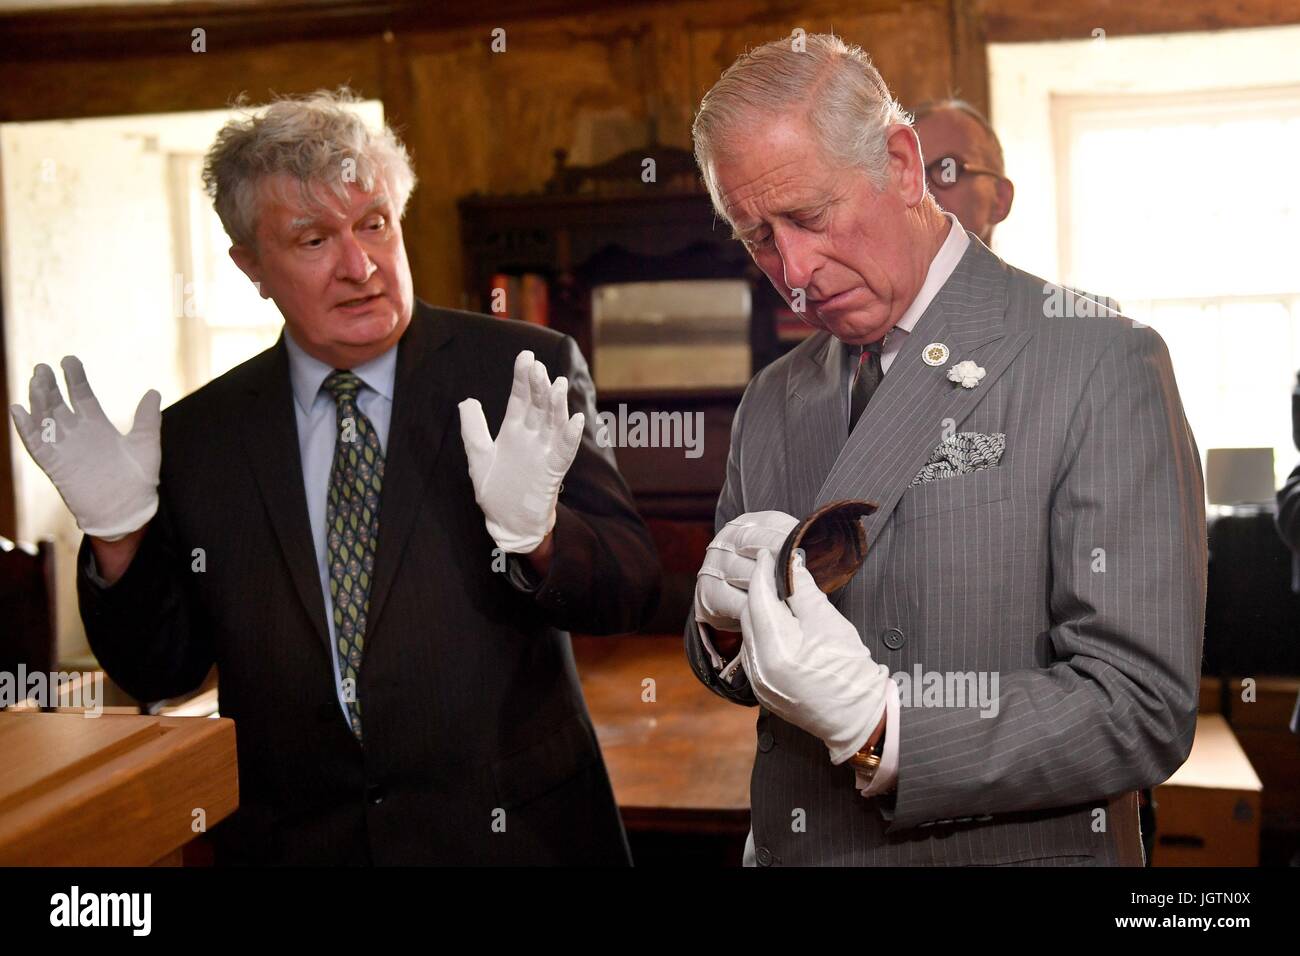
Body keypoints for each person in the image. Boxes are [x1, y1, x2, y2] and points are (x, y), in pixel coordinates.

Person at [9, 89, 661, 865]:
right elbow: (161, 671)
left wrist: (543, 538)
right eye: (313, 240)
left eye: (374, 224)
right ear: (250, 265)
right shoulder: (198, 435)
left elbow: (633, 589)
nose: (360, 267)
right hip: (296, 850)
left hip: (514, 839)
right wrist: (119, 540)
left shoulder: (522, 373)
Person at [684, 34, 1205, 866]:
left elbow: (1140, 706)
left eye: (810, 217)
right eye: (757, 238)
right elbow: (748, 679)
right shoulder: (774, 397)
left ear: (900, 163)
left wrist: (888, 729)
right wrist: (717, 629)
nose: (793, 270)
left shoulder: (1099, 358)